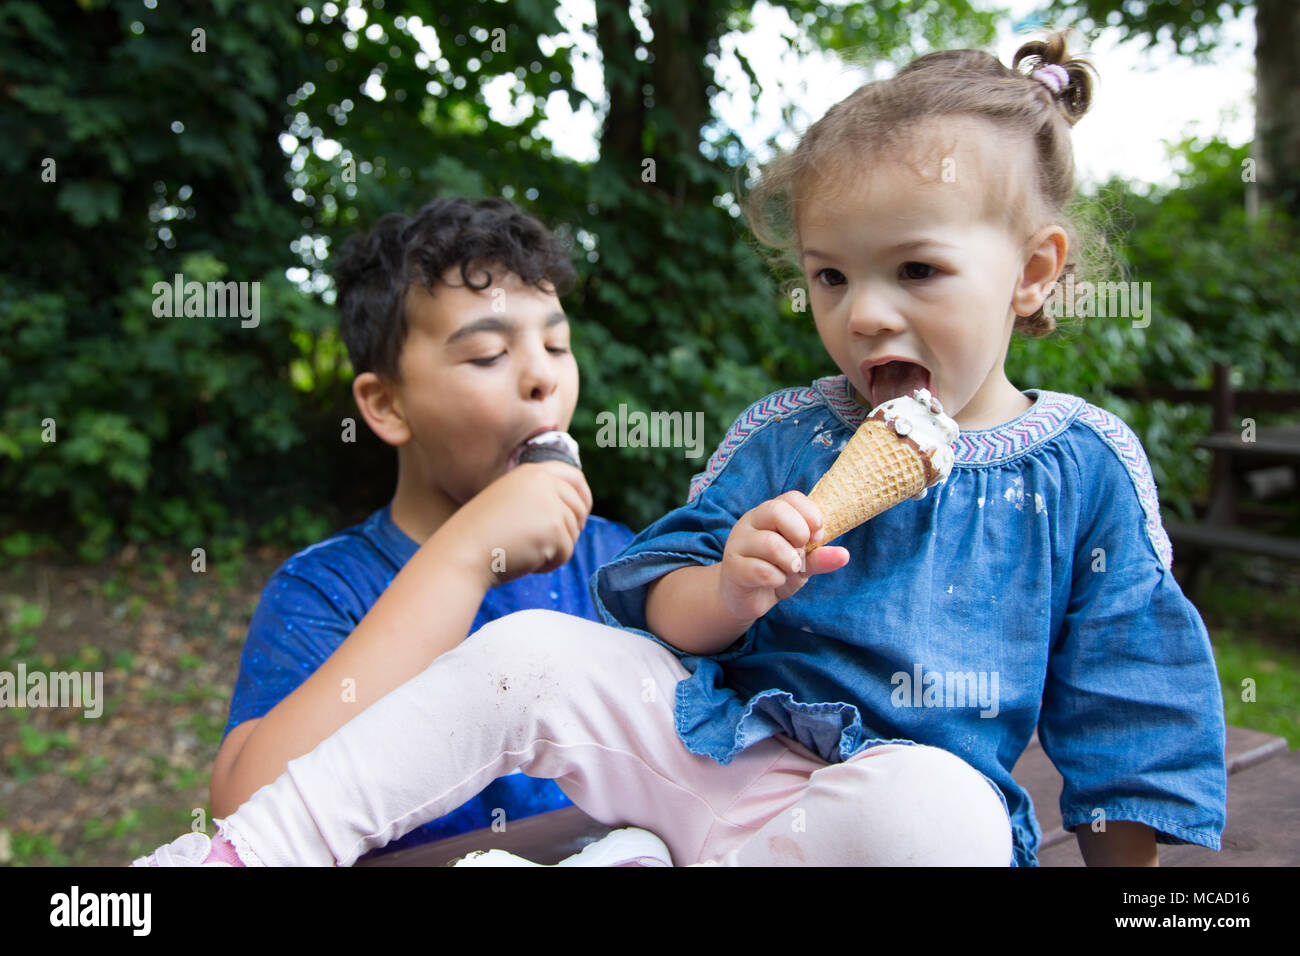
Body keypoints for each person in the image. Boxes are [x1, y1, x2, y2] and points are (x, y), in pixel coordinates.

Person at [137, 34, 1226, 868]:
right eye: (829, 276)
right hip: (711, 750)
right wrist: (731, 581)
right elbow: (658, 605)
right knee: (545, 652)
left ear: (1033, 271)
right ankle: (241, 855)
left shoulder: (1079, 466)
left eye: (918, 272)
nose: (863, 317)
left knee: (940, 815)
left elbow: (1130, 705)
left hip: (870, 822)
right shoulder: (786, 434)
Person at [203, 197, 634, 860]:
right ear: (387, 404)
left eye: (555, 344)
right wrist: (462, 557)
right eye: (489, 354)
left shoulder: (618, 565)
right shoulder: (327, 590)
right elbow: (248, 815)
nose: (542, 375)